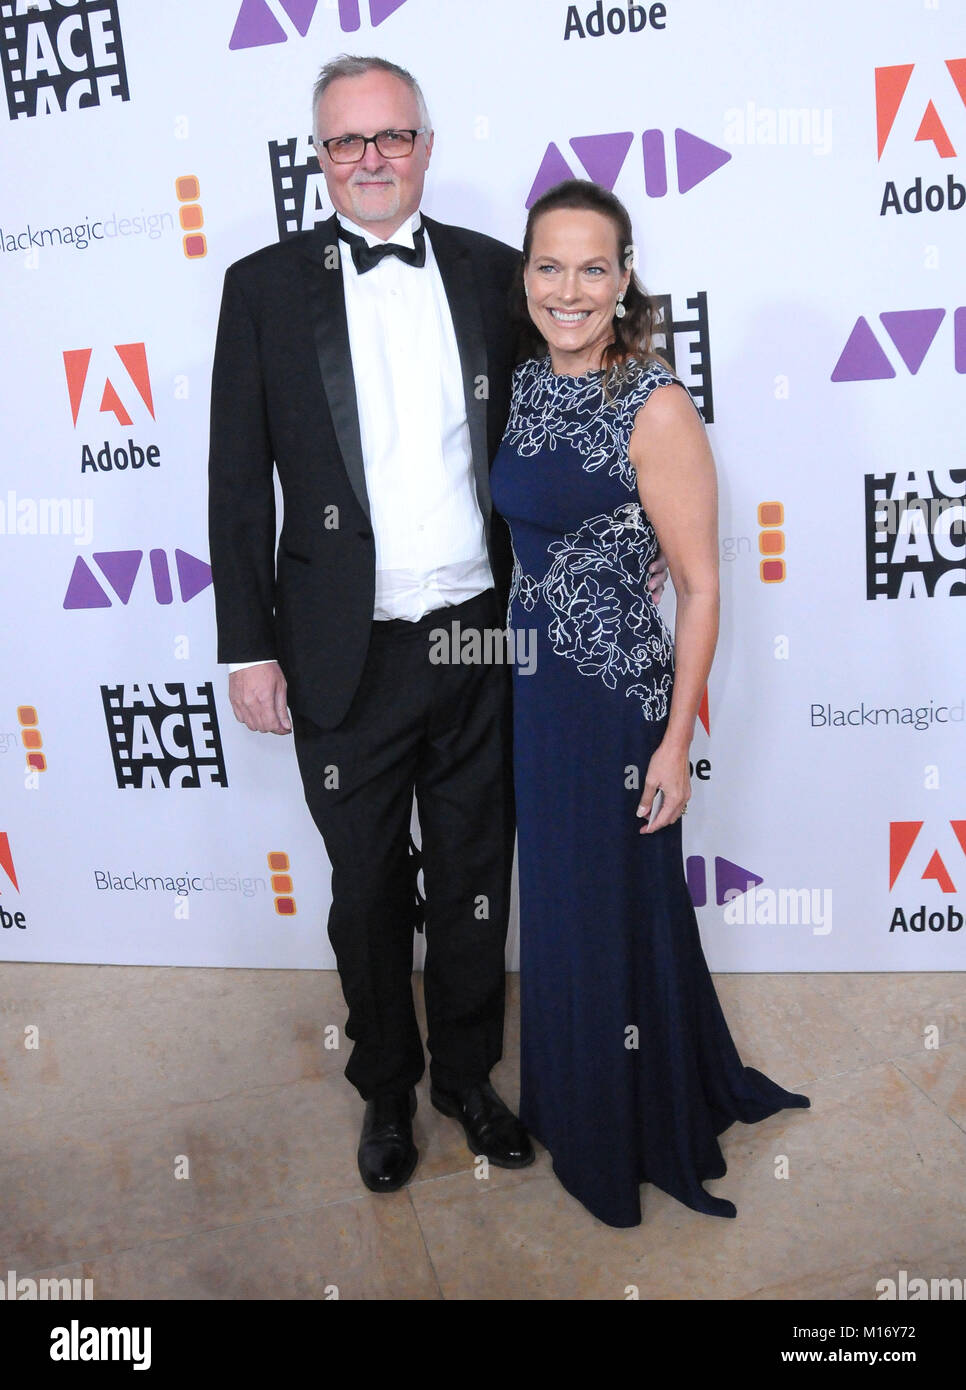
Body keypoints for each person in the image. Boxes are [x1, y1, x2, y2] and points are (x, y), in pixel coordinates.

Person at [207, 56, 670, 1195]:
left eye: (392, 138)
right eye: (345, 142)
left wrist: (640, 526)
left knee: (474, 875)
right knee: (365, 889)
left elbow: (578, 405)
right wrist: (246, 641)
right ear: (317, 156)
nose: (371, 160)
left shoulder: (494, 273)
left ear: (425, 143)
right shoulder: (261, 288)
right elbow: (233, 482)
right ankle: (384, 1092)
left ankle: (469, 1078)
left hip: (482, 638)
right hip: (337, 647)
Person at [489, 179, 810, 1226]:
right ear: (525, 276)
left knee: (617, 905)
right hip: (536, 694)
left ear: (625, 279)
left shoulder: (656, 402)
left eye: (594, 267)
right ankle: (584, 1101)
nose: (569, 288)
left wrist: (673, 743)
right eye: (549, 266)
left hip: (618, 707)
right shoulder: (529, 384)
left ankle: (629, 1122)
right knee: (571, 913)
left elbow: (704, 582)